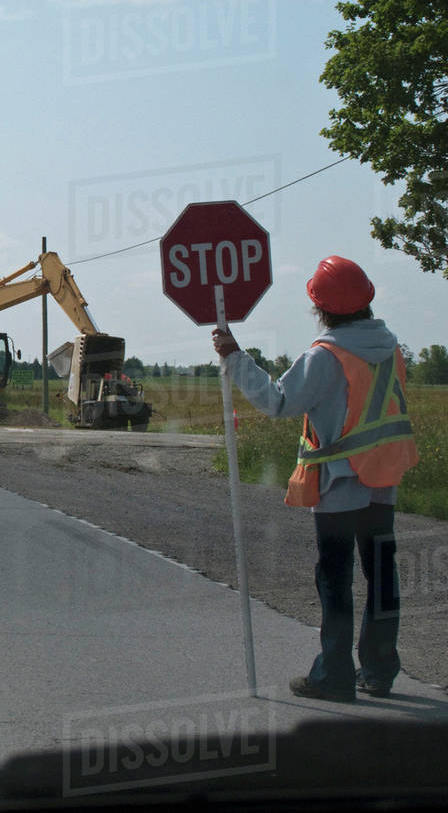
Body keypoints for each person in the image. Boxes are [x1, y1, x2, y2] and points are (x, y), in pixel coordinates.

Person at [212, 255, 418, 703]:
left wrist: (235, 357)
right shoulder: (391, 349)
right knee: (382, 576)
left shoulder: (326, 356)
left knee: (335, 578)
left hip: (342, 486)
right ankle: (380, 669)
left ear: (320, 308)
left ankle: (334, 676)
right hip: (383, 482)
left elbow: (279, 401)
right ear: (366, 300)